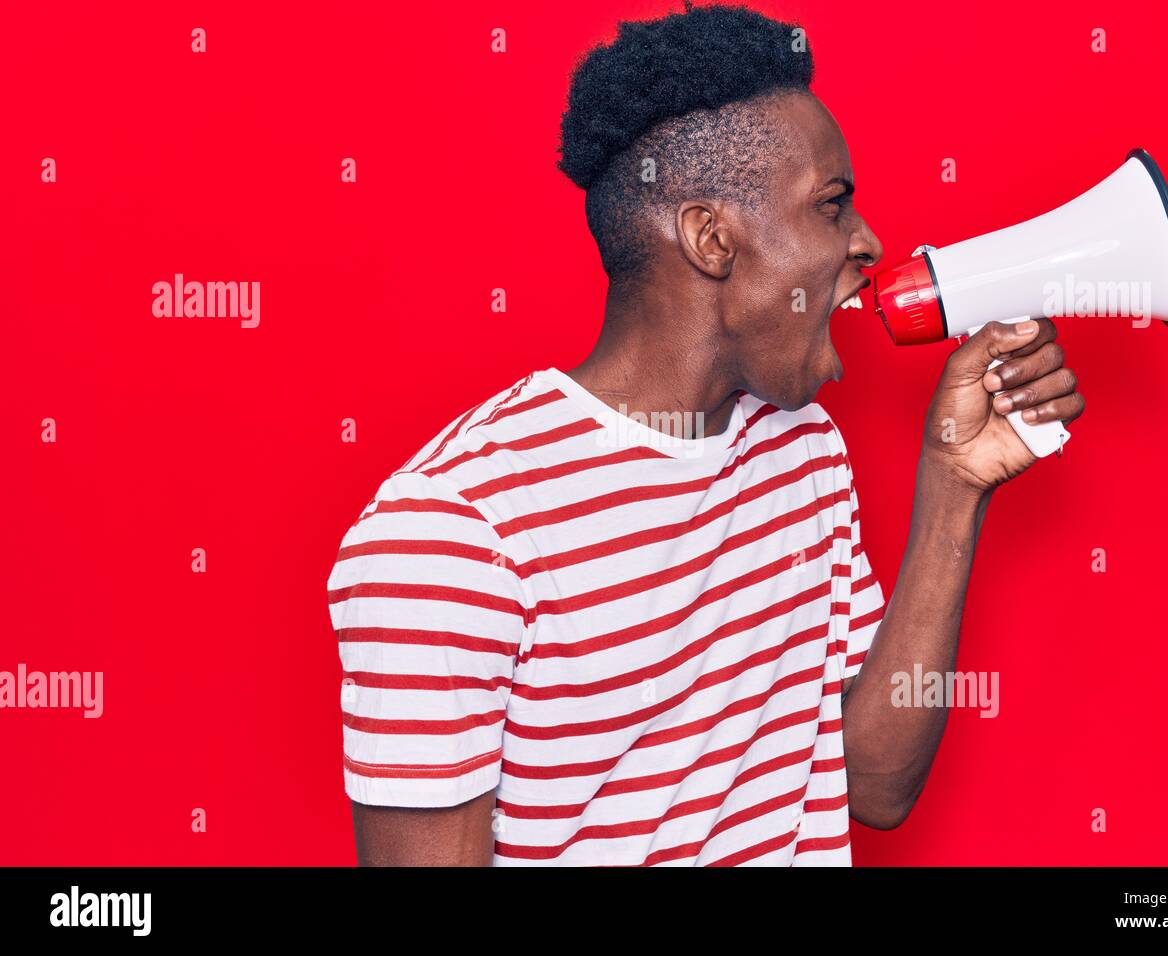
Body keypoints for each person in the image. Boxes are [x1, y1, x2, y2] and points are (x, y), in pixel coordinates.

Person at [327, 3, 1084, 866]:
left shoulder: (802, 449)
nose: (870, 243)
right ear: (711, 238)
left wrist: (955, 483)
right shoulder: (453, 533)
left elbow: (872, 785)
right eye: (832, 206)